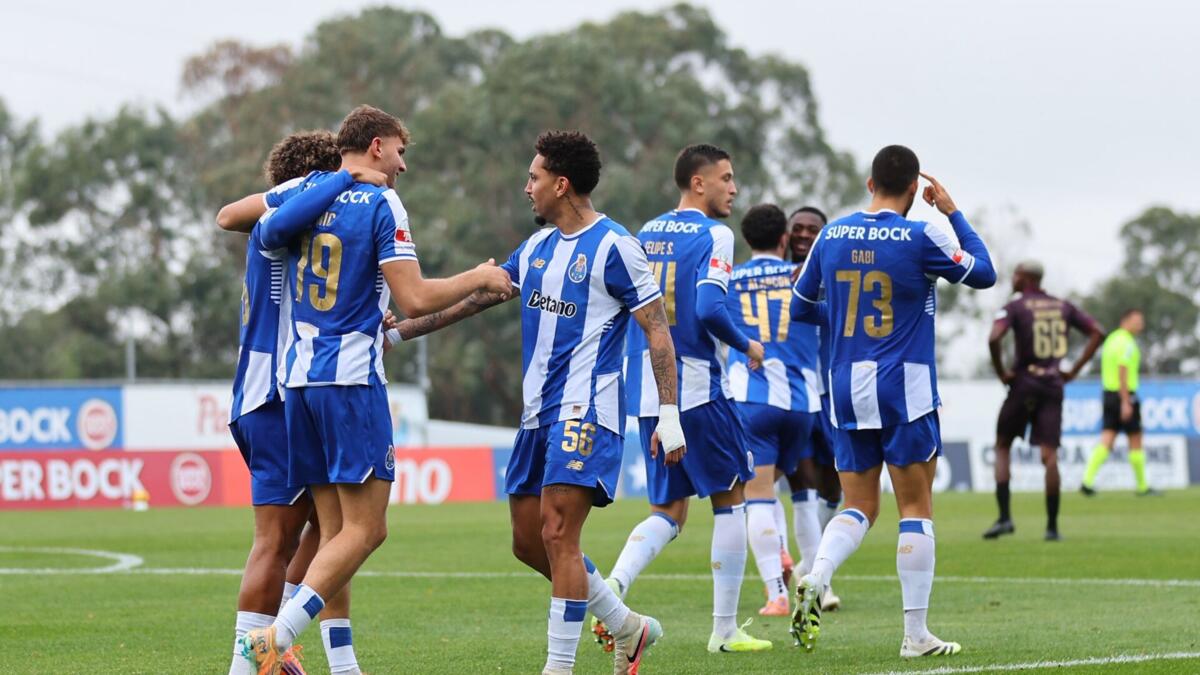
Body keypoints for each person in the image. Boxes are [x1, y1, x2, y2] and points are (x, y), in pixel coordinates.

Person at [391, 130, 678, 675]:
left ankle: (558, 668)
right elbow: (476, 299)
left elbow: (657, 330)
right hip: (535, 416)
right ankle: (627, 627)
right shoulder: (537, 248)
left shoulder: (617, 246)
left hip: (588, 409)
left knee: (558, 533)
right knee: (529, 544)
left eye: (534, 177)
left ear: (561, 184)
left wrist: (669, 412)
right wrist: (399, 333)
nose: (527, 188)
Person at [238, 105, 512, 675]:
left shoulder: (307, 193)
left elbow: (248, 224)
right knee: (369, 529)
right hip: (351, 382)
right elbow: (412, 298)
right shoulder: (381, 201)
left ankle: (343, 666)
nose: (404, 165)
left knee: (334, 533)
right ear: (378, 147)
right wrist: (479, 277)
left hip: (300, 382)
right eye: (401, 151)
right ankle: (276, 637)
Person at [790, 145, 995, 658]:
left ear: (868, 183)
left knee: (858, 504)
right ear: (913, 191)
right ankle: (915, 635)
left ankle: (818, 572)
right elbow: (984, 272)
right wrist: (950, 210)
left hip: (844, 385)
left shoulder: (831, 234)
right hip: (906, 385)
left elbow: (799, 307)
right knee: (915, 508)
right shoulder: (922, 233)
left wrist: (842, 322)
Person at [217, 129, 390, 675]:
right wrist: (339, 178)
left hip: (277, 389)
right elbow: (228, 214)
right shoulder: (285, 232)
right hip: (275, 392)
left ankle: (335, 660)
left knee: (331, 528)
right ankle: (252, 661)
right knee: (277, 539)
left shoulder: (295, 231)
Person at [603, 143, 772, 654]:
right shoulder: (715, 234)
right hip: (696, 384)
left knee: (669, 508)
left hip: (647, 388)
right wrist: (747, 344)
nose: (733, 188)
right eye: (726, 177)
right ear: (698, 183)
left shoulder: (643, 233)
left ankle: (613, 588)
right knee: (732, 497)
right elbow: (709, 306)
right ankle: (724, 631)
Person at [725, 203, 821, 617]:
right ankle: (813, 582)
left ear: (747, 241)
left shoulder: (728, 278)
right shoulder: (802, 277)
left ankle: (776, 595)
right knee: (795, 490)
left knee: (757, 494)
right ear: (784, 239)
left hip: (753, 398)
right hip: (803, 403)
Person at [985, 261, 1103, 541]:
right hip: (1052, 384)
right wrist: (1072, 370)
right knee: (1050, 456)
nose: (1012, 279)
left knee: (1003, 445)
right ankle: (1052, 528)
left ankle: (1005, 518)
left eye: (1015, 275)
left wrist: (1002, 372)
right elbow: (1098, 332)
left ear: (1025, 279)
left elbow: (994, 337)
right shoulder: (1063, 305)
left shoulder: (1016, 306)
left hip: (1024, 382)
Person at [784, 205, 843, 612]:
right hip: (794, 393)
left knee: (835, 487)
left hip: (835, 392)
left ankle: (809, 567)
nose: (805, 235)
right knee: (802, 483)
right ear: (786, 235)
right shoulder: (772, 276)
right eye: (798, 229)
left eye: (813, 230)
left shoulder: (833, 276)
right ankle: (818, 582)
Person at [1080, 309, 1160, 496]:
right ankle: (1142, 486)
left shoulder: (1112, 339)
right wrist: (1126, 401)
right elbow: (1122, 370)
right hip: (1124, 395)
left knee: (1107, 439)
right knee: (1135, 438)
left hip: (1108, 394)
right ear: (1126, 320)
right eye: (1137, 320)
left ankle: (1087, 482)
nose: (1141, 324)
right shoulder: (1127, 342)